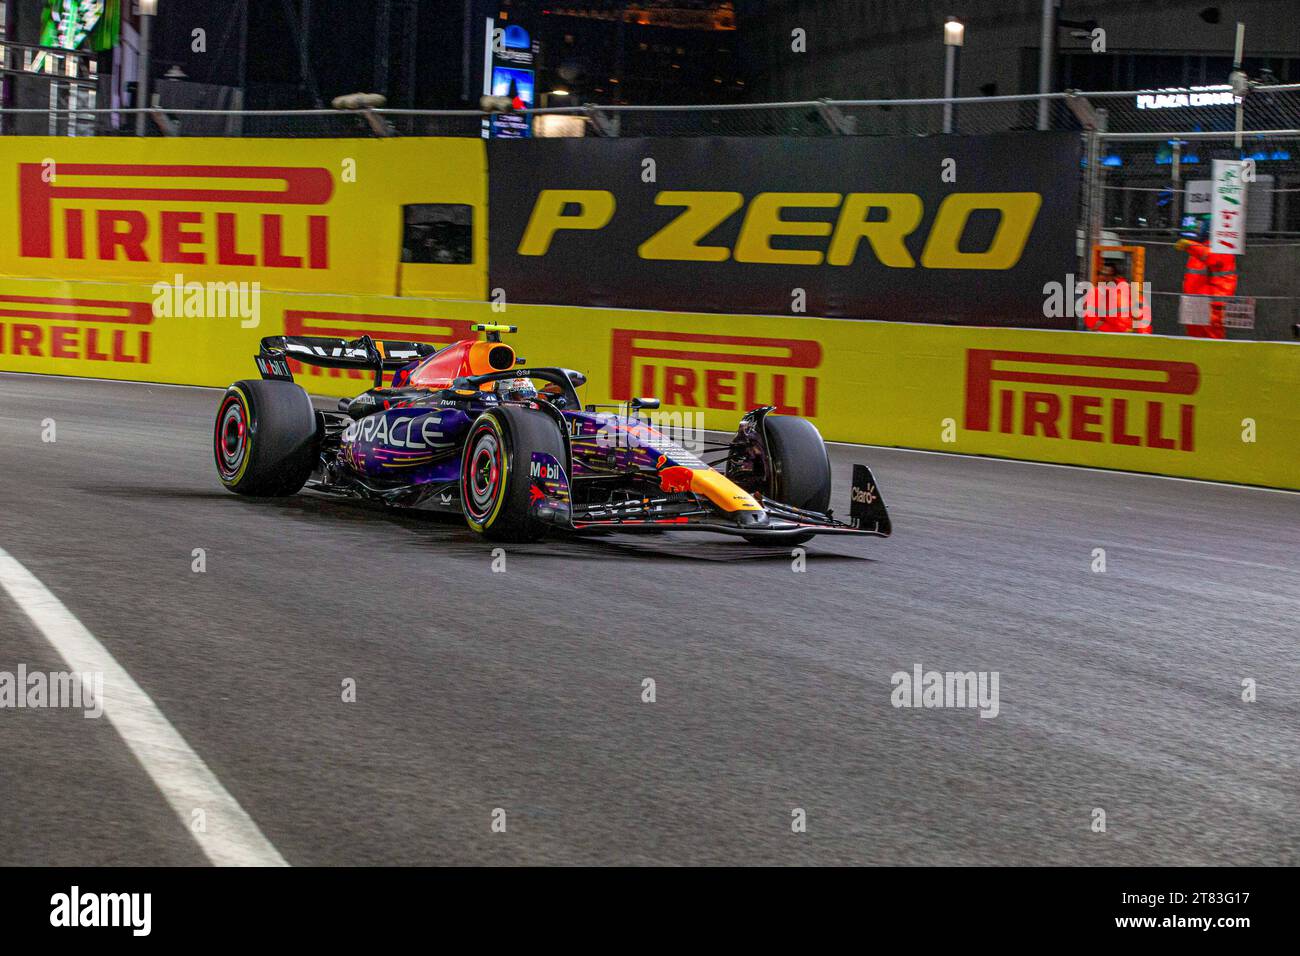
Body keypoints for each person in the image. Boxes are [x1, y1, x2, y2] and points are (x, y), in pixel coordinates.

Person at [1175, 222, 1237, 339]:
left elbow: (1212, 259)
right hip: (1195, 303)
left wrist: (1191, 246)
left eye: (1200, 228)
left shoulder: (1223, 247)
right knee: (1194, 341)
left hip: (1211, 305)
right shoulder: (1199, 247)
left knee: (1211, 342)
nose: (1197, 231)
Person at [1082, 259, 1149, 333]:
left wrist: (1141, 333)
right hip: (1104, 335)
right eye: (1101, 274)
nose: (1103, 277)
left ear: (1114, 277)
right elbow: (1090, 318)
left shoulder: (1127, 292)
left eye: (1107, 275)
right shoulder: (1095, 293)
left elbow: (1142, 316)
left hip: (1127, 336)